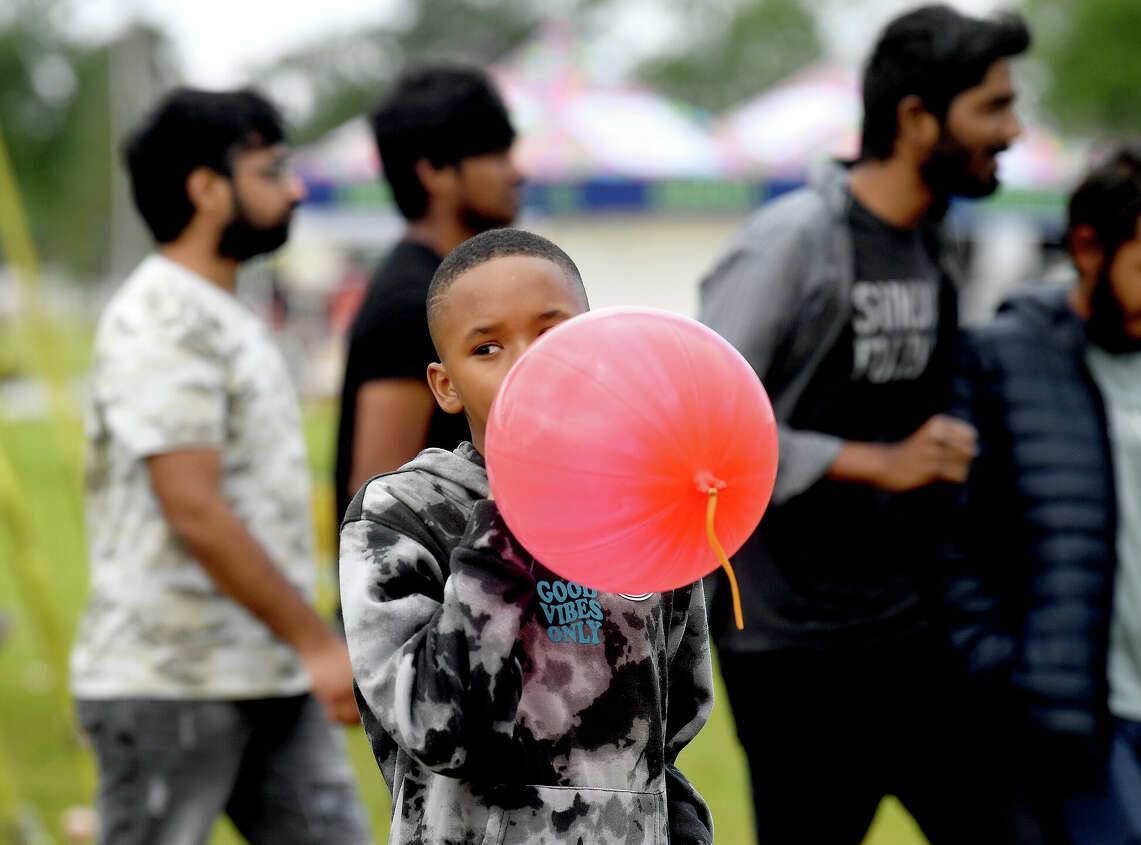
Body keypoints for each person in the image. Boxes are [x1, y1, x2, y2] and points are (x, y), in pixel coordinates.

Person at [697, 5, 1030, 843]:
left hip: (910, 630)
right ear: (917, 117)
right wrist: (874, 462)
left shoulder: (935, 242)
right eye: (992, 107)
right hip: (791, 648)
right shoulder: (792, 241)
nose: (1014, 129)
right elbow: (700, 427)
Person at [339, 228, 715, 845]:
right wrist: (511, 521)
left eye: (551, 334)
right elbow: (438, 728)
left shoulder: (645, 509)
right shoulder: (403, 515)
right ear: (446, 385)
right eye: (486, 348)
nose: (526, 364)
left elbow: (676, 708)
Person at [71, 88, 370, 845]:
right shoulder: (162, 317)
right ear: (205, 189)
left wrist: (298, 648)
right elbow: (194, 508)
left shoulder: (222, 309)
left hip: (267, 671)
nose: (295, 188)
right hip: (169, 683)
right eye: (273, 170)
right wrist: (314, 640)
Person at [941, 141, 1141, 845]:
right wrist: (1005, 669)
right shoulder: (998, 358)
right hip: (1053, 710)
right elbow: (951, 542)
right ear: (1088, 245)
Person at [334, 64, 521, 529]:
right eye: (496, 155)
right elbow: (378, 500)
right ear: (435, 172)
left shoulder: (450, 289)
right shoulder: (411, 302)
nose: (517, 172)